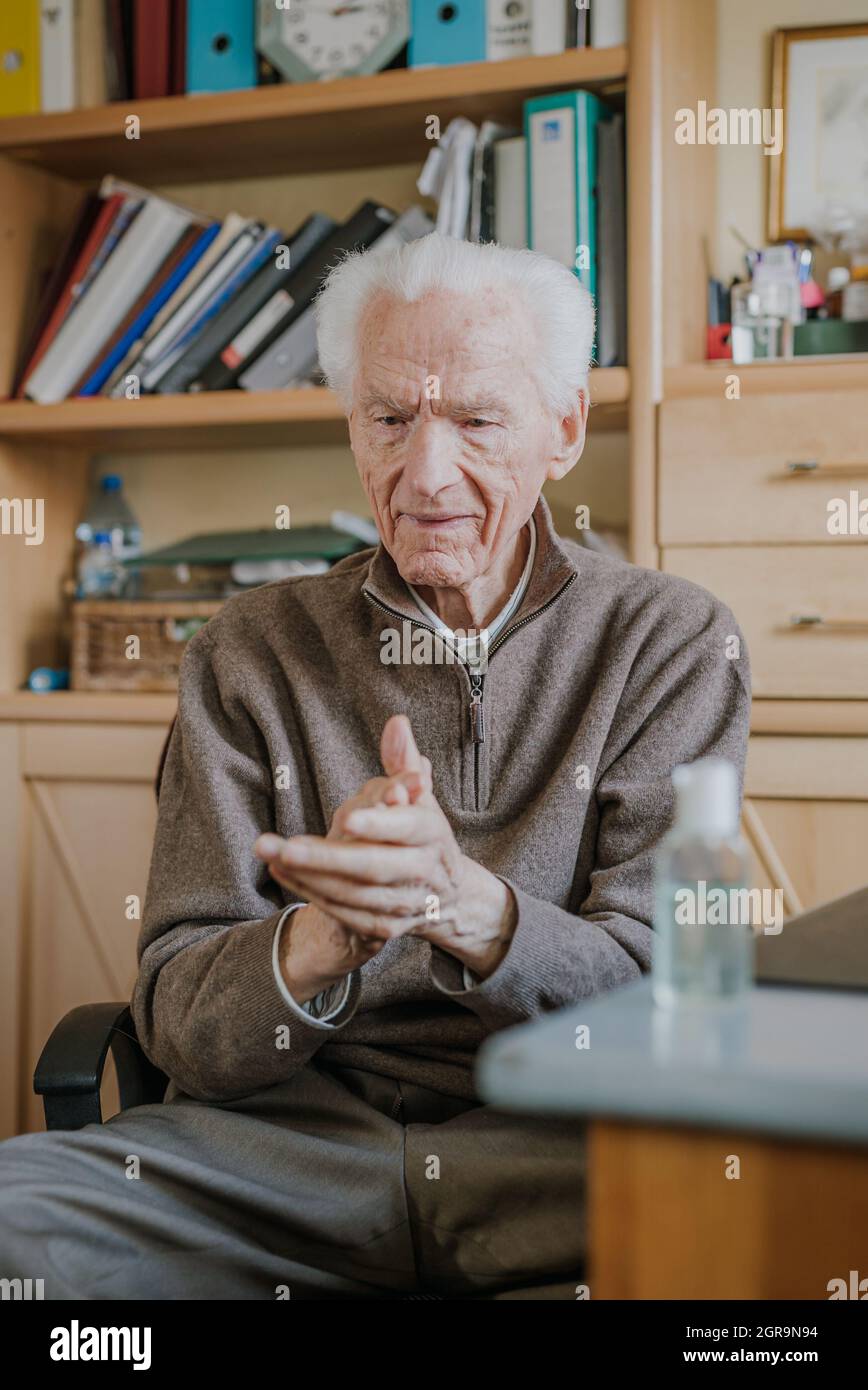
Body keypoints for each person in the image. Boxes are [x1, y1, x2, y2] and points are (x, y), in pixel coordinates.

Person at [0, 232, 751, 1299]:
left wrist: (464, 905)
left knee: (773, 1259)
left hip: (560, 1157)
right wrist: (321, 940)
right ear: (353, 427)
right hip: (275, 1156)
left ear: (564, 428)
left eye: (477, 420)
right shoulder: (248, 649)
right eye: (390, 418)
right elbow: (180, 1017)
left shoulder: (667, 642)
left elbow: (670, 1005)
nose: (425, 472)